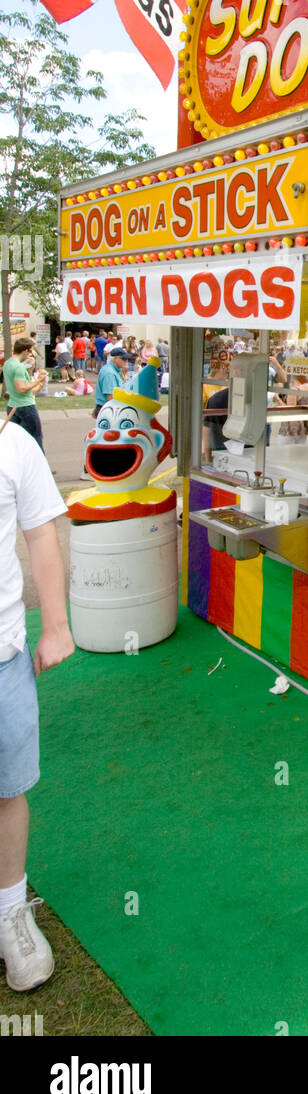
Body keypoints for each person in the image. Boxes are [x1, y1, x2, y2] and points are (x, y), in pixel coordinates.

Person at [0, 419, 74, 991]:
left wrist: (55, 626)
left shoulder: (13, 443)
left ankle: (10, 911)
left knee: (8, 787)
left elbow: (42, 533)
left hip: (2, 653)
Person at [3, 339, 47, 452]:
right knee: (35, 437)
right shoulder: (19, 367)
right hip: (25, 406)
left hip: (13, 405)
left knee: (15, 439)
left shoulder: (8, 363)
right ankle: (39, 466)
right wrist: (39, 380)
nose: (31, 354)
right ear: (25, 351)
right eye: (30, 351)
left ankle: (18, 465)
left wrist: (30, 367)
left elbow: (22, 384)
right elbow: (21, 388)